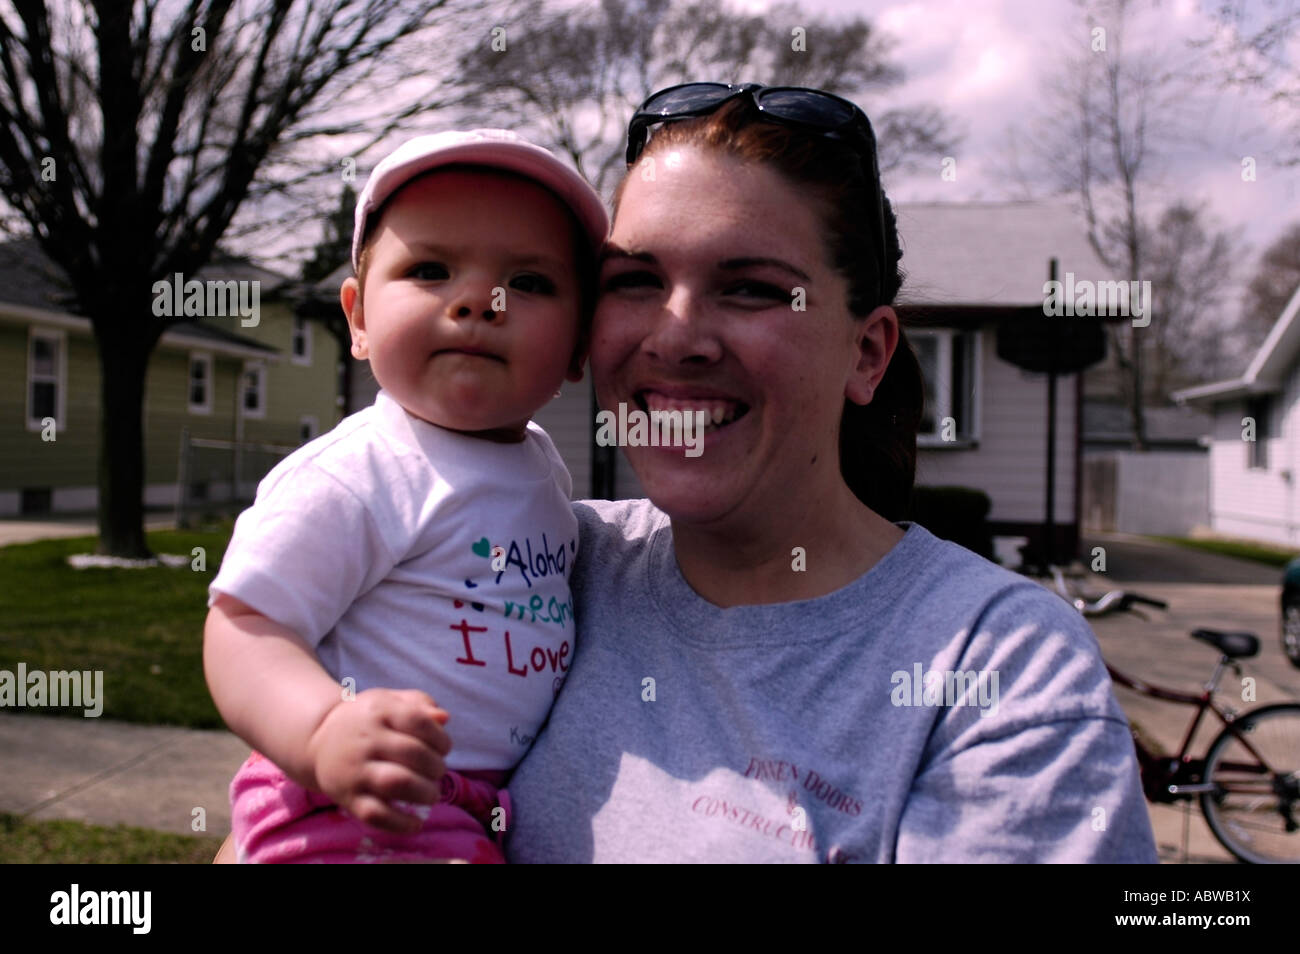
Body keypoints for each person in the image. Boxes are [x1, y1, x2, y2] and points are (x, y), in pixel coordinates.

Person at [501, 83, 1158, 862]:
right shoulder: (539, 564)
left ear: (867, 352)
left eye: (751, 289)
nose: (676, 339)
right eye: (636, 281)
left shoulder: (1001, 671)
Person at [203, 129, 607, 863]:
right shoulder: (360, 470)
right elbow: (244, 624)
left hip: (474, 807)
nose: (479, 303)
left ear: (581, 344)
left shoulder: (543, 471)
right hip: (348, 800)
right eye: (430, 268)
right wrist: (323, 731)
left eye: (530, 282)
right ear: (356, 318)